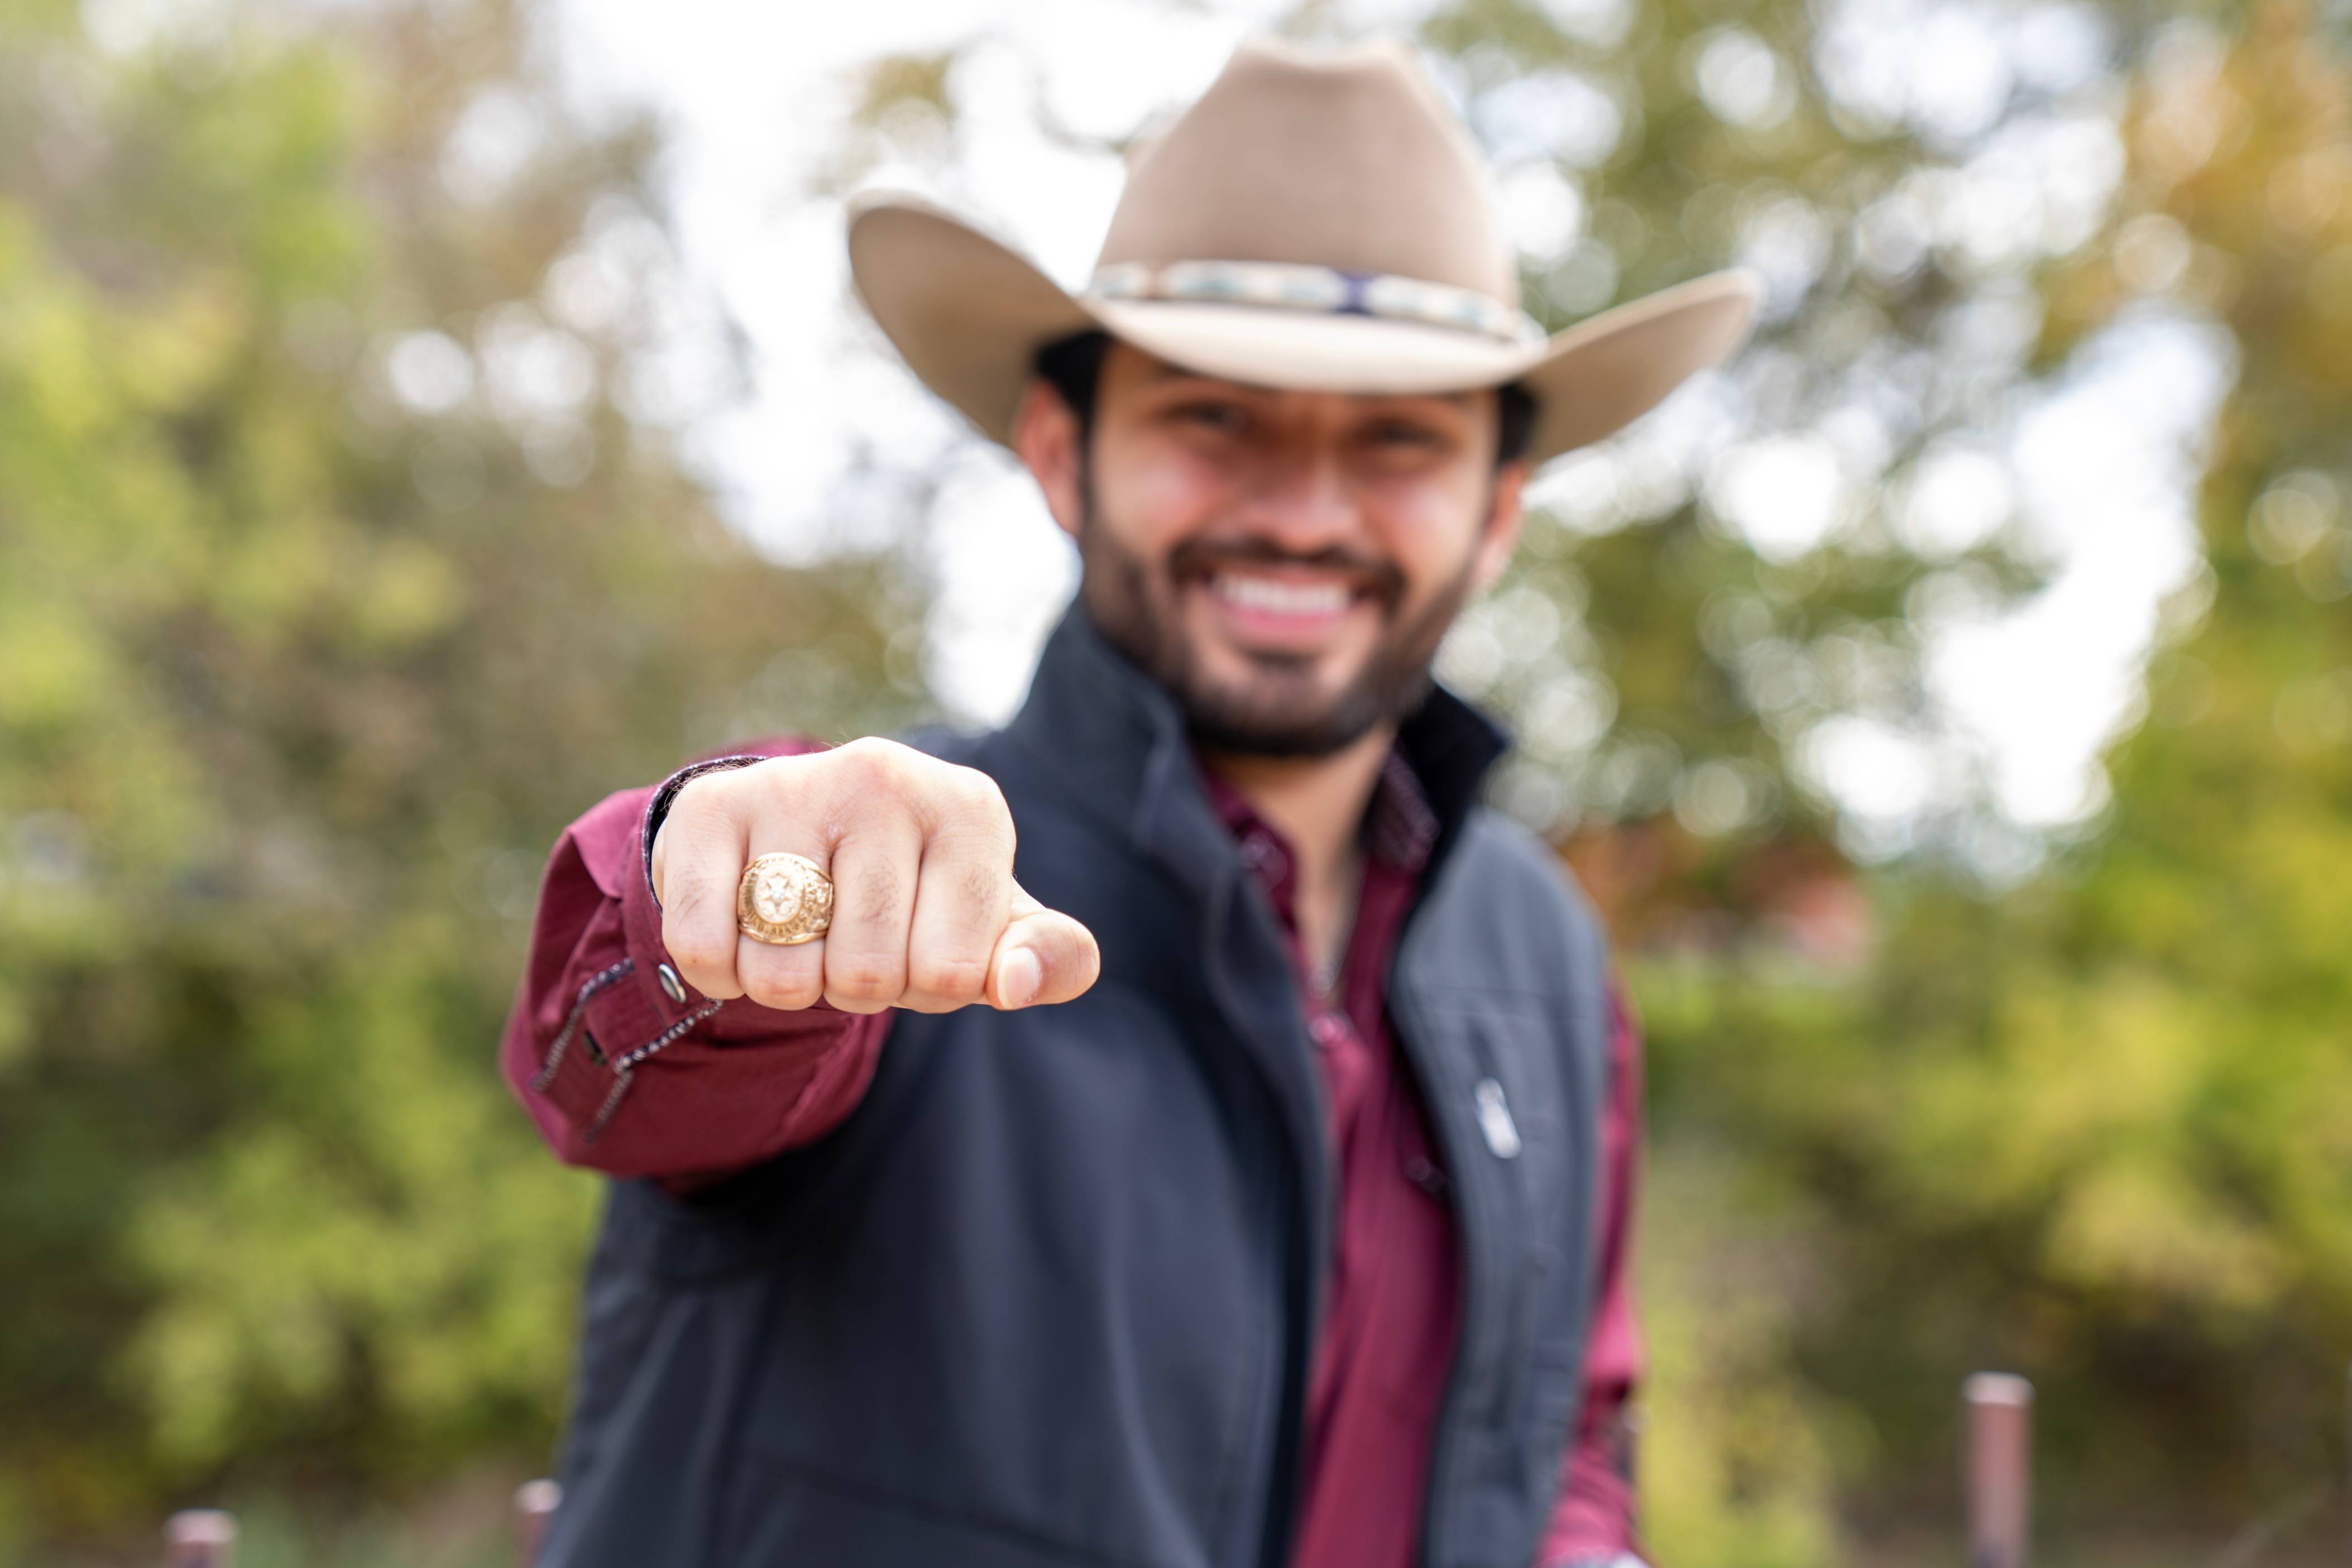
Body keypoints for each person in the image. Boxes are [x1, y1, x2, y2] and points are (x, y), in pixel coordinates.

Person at [501, 37, 1756, 1568]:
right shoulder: (898, 889)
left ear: (1496, 513)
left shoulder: (1546, 956)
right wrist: (714, 881)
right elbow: (617, 1042)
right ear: (1062, 453)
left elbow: (1561, 1426)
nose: (1302, 513)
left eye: (1399, 439)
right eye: (1215, 418)